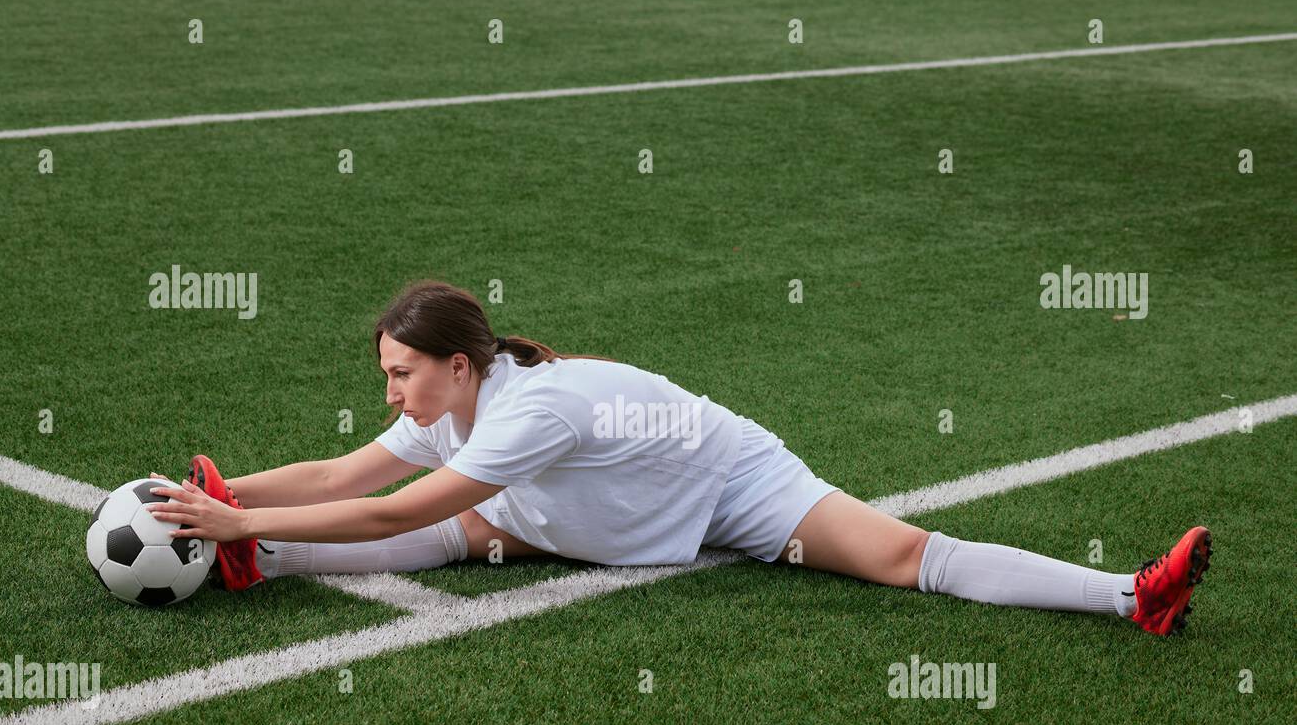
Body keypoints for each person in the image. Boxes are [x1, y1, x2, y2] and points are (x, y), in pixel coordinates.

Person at [145, 280, 1212, 637]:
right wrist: (229, 496)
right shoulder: (460, 405)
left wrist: (241, 518)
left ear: (460, 367)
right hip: (596, 507)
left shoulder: (526, 415)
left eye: (401, 375)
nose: (392, 395)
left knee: (900, 556)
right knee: (469, 529)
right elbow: (342, 479)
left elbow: (383, 514)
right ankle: (252, 565)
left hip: (728, 480)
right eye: (386, 376)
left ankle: (1131, 596)